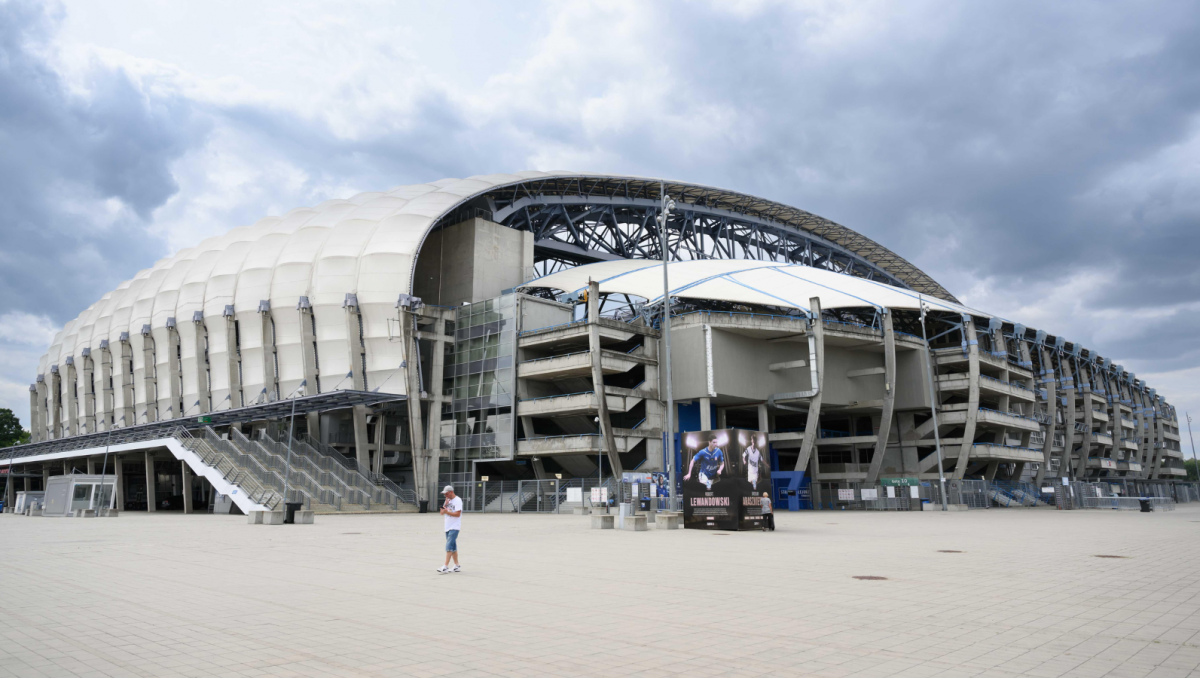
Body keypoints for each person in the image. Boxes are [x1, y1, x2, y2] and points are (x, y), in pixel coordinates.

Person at [437, 485, 463, 574]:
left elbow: (458, 514)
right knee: (453, 547)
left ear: (451, 492)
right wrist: (445, 505)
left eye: (446, 494)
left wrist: (447, 511)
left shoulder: (458, 500)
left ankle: (445, 566)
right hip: (447, 527)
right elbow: (441, 513)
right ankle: (457, 565)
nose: (445, 495)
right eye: (444, 494)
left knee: (449, 546)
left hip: (455, 527)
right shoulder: (447, 501)